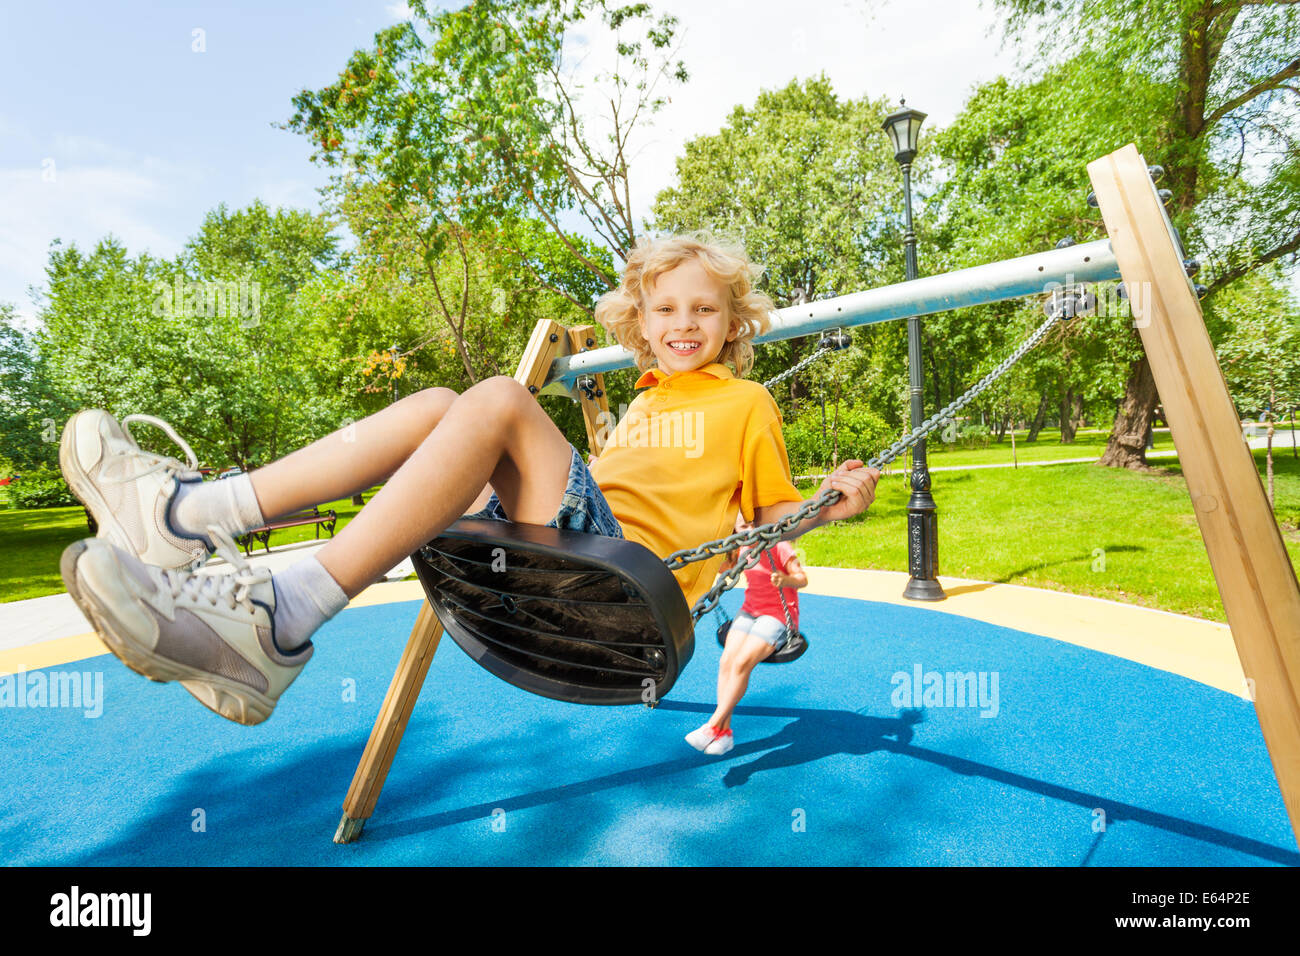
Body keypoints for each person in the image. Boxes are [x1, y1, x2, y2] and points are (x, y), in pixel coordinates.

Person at [58, 234, 880, 726]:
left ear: (734, 323)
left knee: (494, 401)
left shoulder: (746, 400)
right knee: (441, 405)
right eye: (666, 310)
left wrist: (836, 502)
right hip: (567, 557)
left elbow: (772, 516)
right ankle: (202, 518)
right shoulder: (638, 404)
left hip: (622, 590)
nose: (684, 325)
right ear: (640, 323)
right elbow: (595, 484)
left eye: (704, 310)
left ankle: (267, 600)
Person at [685, 513, 808, 756]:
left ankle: (712, 725)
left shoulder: (779, 546)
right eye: (741, 526)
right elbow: (721, 568)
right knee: (727, 661)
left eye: (750, 523)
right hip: (750, 611)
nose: (746, 529)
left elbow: (802, 579)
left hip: (777, 616)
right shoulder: (741, 548)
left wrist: (785, 579)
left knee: (742, 663)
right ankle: (725, 733)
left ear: (759, 523)